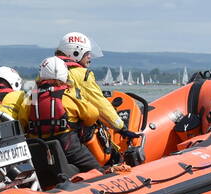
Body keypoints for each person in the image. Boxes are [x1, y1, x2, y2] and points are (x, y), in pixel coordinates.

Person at [30, 56, 135, 173]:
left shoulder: (30, 97)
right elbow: (92, 114)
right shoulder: (69, 94)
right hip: (69, 146)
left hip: (39, 148)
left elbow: (23, 120)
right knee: (96, 171)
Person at [54, 32, 134, 164]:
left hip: (50, 132)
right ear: (75, 53)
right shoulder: (81, 74)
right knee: (112, 156)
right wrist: (121, 127)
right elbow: (100, 103)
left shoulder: (47, 73)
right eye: (87, 54)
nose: (89, 57)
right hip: (74, 133)